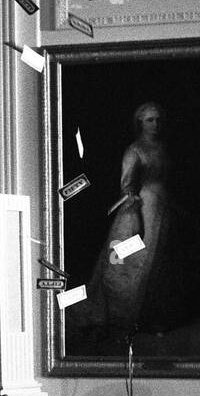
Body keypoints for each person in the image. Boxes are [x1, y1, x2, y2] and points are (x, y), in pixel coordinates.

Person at [71, 102, 188, 340]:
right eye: (149, 120)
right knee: (137, 260)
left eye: (157, 120)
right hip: (144, 207)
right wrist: (133, 204)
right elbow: (126, 184)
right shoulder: (134, 150)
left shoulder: (163, 148)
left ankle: (154, 317)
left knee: (162, 263)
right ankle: (128, 318)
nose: (155, 124)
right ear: (139, 123)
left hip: (164, 207)